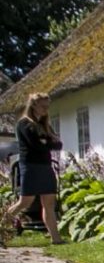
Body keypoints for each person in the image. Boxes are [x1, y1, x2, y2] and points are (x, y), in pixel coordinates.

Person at [5, 93, 66, 245]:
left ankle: (56, 238)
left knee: (49, 203)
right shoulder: (24, 124)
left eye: (47, 106)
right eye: (43, 106)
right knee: (25, 202)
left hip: (45, 166)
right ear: (34, 106)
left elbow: (58, 144)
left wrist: (46, 142)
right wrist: (46, 142)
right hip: (30, 166)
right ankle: (3, 225)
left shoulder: (45, 125)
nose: (46, 109)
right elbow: (35, 145)